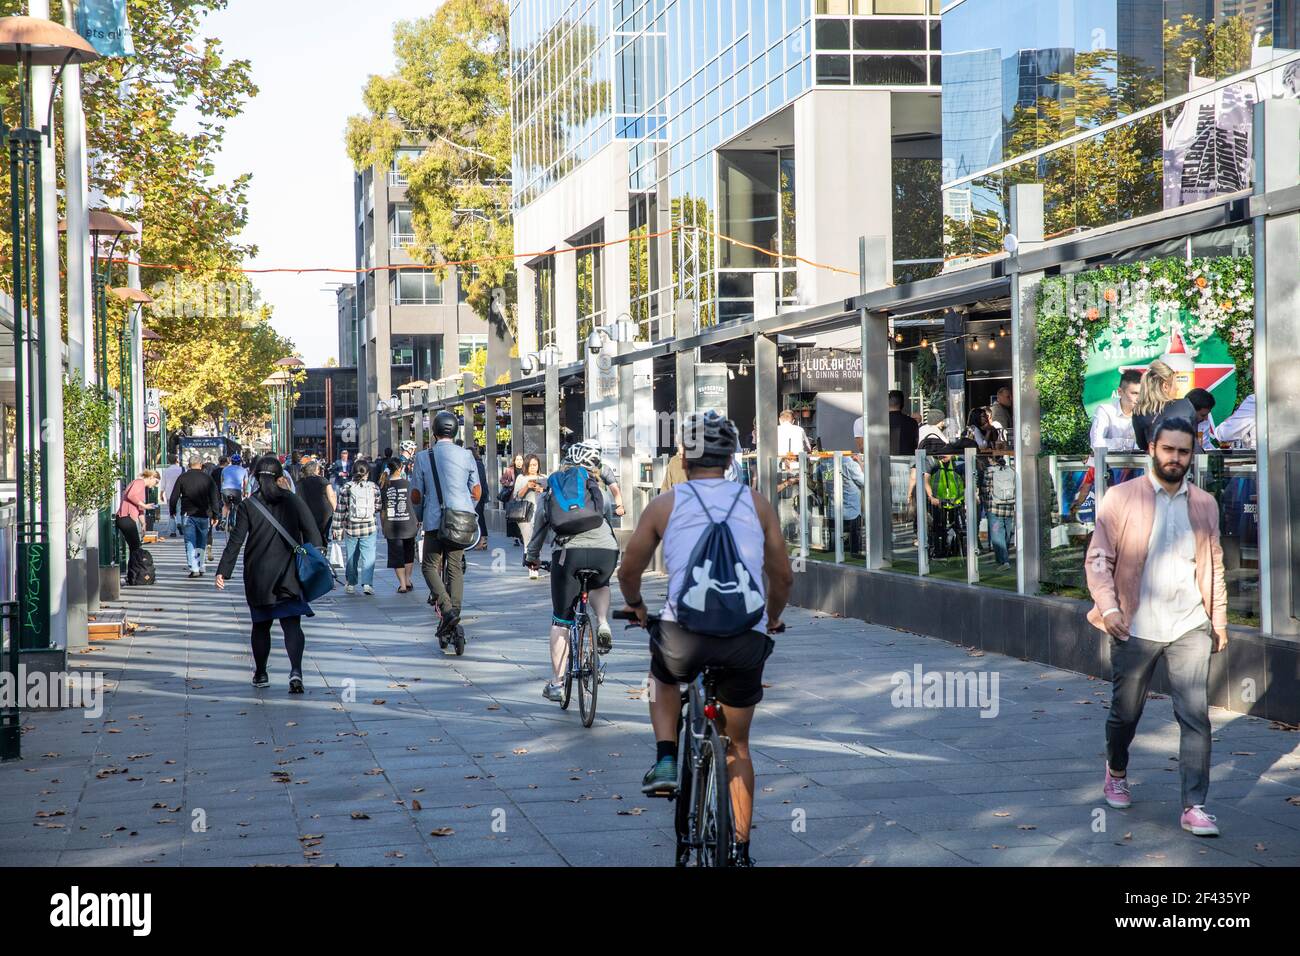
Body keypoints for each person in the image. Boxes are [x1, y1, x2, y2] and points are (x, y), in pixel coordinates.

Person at [618, 411, 792, 868]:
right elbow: (782, 575)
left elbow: (628, 568)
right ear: (732, 458)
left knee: (662, 674)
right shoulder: (757, 504)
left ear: (685, 458)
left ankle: (666, 759)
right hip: (744, 639)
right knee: (738, 746)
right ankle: (740, 850)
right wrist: (771, 619)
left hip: (683, 636)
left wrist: (636, 605)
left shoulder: (665, 504)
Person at [1086, 417, 1228, 837]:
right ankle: (1116, 768)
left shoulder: (1204, 503)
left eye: (1184, 452)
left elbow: (1214, 565)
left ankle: (1194, 805)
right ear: (1152, 449)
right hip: (1135, 625)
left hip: (1190, 625)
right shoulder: (1120, 498)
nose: (1176, 459)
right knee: (1126, 712)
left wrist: (1218, 620)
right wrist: (1109, 609)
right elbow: (1099, 559)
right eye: (1169, 450)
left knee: (1195, 716)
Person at [216, 455, 324, 694]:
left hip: (259, 575)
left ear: (254, 477)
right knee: (291, 625)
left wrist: (223, 570)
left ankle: (261, 673)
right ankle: (296, 671)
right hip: (289, 573)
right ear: (280, 477)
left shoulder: (248, 505)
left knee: (261, 625)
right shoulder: (292, 501)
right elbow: (314, 535)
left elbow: (235, 541)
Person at [525, 442, 621, 702]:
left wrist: (532, 557)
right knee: (601, 583)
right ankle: (601, 622)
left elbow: (540, 528)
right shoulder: (596, 487)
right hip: (605, 551)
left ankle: (557, 683)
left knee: (561, 619)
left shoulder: (552, 488)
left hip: (569, 555)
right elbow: (609, 517)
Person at [410, 410, 482, 638]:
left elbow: (415, 495)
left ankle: (447, 608)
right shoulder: (466, 455)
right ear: (456, 431)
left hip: (434, 518)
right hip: (461, 519)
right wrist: (468, 508)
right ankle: (455, 612)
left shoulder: (423, 457)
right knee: (455, 566)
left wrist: (420, 515)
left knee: (429, 566)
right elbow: (476, 490)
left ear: (434, 431)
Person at [169, 456, 221, 577]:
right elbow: (214, 498)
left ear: (189, 464)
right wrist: (215, 515)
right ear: (201, 465)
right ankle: (201, 565)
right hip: (203, 514)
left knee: (190, 541)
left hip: (187, 514)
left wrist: (172, 511)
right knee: (201, 541)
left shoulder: (182, 478)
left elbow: (174, 497)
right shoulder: (208, 478)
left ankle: (194, 568)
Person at [334, 462, 380, 595]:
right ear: (367, 473)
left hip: (351, 528)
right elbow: (378, 506)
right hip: (369, 527)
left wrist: (337, 527)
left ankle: (351, 584)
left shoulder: (346, 487)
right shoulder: (373, 487)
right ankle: (367, 584)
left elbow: (340, 510)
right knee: (369, 556)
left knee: (352, 557)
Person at [382, 446, 419, 593]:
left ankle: (403, 584)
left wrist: (383, 525)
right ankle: (408, 579)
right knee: (409, 553)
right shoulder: (408, 484)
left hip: (392, 525)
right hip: (409, 523)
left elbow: (382, 509)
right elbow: (415, 504)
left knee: (397, 555)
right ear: (400, 468)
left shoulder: (384, 486)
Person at [116, 470, 160, 580]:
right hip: (125, 517)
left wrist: (143, 523)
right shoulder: (139, 482)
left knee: (134, 546)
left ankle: (133, 573)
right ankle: (133, 574)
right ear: (151, 477)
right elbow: (131, 496)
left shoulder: (142, 487)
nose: (155, 485)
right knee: (135, 546)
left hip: (128, 518)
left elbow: (140, 508)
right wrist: (143, 505)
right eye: (156, 481)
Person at [980, 446, 1016, 570]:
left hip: (994, 507)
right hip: (1009, 506)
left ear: (990, 459)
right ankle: (1001, 559)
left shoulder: (989, 471)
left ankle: (1004, 561)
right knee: (1006, 533)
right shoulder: (1011, 470)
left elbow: (985, 489)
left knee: (997, 534)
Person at [1089, 368, 1142, 452]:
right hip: (1108, 465)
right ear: (1120, 392)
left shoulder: (1147, 413)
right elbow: (1096, 444)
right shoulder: (1105, 410)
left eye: (1142, 393)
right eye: (1134, 393)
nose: (1139, 398)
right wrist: (1128, 444)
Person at [513, 454, 547, 580]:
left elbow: (550, 493)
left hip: (540, 513)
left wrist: (541, 489)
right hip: (525, 514)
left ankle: (534, 562)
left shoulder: (544, 477)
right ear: (526, 466)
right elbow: (517, 496)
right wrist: (527, 486)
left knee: (538, 541)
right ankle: (532, 568)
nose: (533, 468)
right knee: (528, 541)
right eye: (531, 465)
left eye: (535, 465)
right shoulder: (521, 478)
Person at [297, 459, 337, 543]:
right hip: (324, 515)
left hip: (307, 514)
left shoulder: (299, 483)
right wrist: (335, 511)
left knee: (308, 537)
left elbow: (297, 498)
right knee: (323, 536)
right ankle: (322, 550)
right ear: (316, 470)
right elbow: (331, 496)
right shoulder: (323, 480)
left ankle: (311, 552)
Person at [220, 453, 249, 532]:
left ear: (231, 462)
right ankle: (236, 522)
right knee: (237, 506)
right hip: (236, 490)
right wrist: (244, 492)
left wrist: (221, 491)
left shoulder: (225, 469)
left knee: (226, 505)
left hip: (225, 489)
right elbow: (245, 483)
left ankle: (223, 519)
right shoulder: (243, 470)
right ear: (240, 462)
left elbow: (222, 481)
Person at [500, 453, 524, 545]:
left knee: (522, 516)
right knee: (513, 517)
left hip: (522, 495)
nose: (519, 461)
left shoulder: (525, 470)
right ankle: (515, 538)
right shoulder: (510, 470)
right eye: (517, 460)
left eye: (521, 460)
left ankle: (521, 535)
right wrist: (510, 484)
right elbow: (502, 480)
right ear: (514, 461)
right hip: (512, 496)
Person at [470, 444, 490, 550]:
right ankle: (480, 540)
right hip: (476, 494)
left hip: (478, 495)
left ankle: (483, 540)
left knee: (479, 517)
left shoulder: (477, 464)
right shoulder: (475, 464)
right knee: (478, 516)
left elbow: (481, 480)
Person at [161, 455, 184, 537]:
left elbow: (163, 483)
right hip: (180, 494)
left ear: (168, 461)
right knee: (180, 510)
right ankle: (179, 523)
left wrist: (161, 493)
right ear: (176, 460)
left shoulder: (166, 471)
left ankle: (173, 532)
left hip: (169, 494)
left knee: (171, 513)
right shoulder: (181, 469)